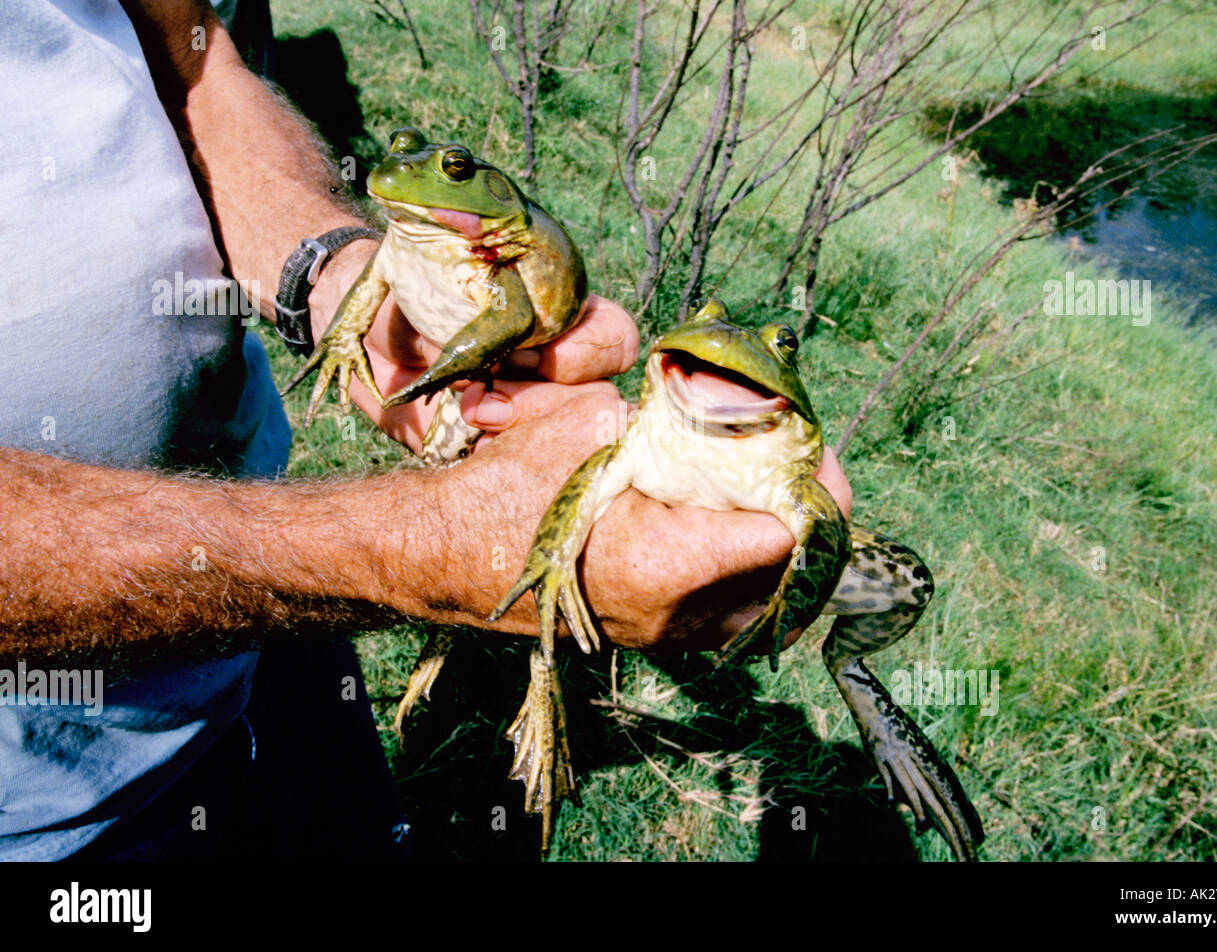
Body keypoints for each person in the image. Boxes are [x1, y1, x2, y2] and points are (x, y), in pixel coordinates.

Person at [0, 0, 851, 860]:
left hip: (281, 613)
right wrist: (420, 552)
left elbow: (198, 66)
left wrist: (331, 277)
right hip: (63, 813)